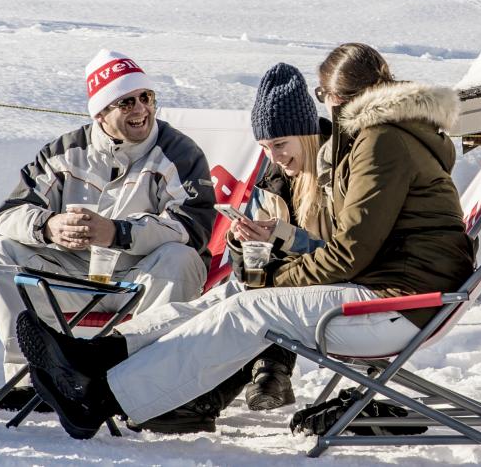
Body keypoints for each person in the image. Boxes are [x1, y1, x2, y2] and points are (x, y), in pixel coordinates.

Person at [17, 42, 477, 440]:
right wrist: (278, 260)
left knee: (248, 308)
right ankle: (98, 356)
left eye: (324, 98)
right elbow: (356, 246)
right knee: (234, 293)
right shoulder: (387, 138)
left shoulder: (382, 141)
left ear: (337, 97)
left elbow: (351, 253)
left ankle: (99, 397)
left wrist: (277, 275)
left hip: (402, 301)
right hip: (397, 288)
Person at [74, 61, 334, 433]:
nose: (274, 156)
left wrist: (285, 238)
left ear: (306, 135)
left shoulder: (335, 175)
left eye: (280, 144)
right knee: (217, 300)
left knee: (238, 305)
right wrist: (243, 241)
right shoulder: (273, 180)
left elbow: (345, 254)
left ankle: (179, 393)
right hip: (284, 287)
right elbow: (257, 265)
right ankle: (102, 357)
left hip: (322, 294)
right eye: (264, 147)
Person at [0, 49, 215, 411]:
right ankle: (34, 378)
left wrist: (118, 233)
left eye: (146, 97)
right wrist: (48, 226)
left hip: (144, 278)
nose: (141, 109)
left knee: (181, 258)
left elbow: (192, 227)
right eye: (126, 102)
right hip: (74, 277)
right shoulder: (65, 151)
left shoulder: (178, 151)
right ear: (101, 113)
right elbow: (8, 213)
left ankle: (150, 384)